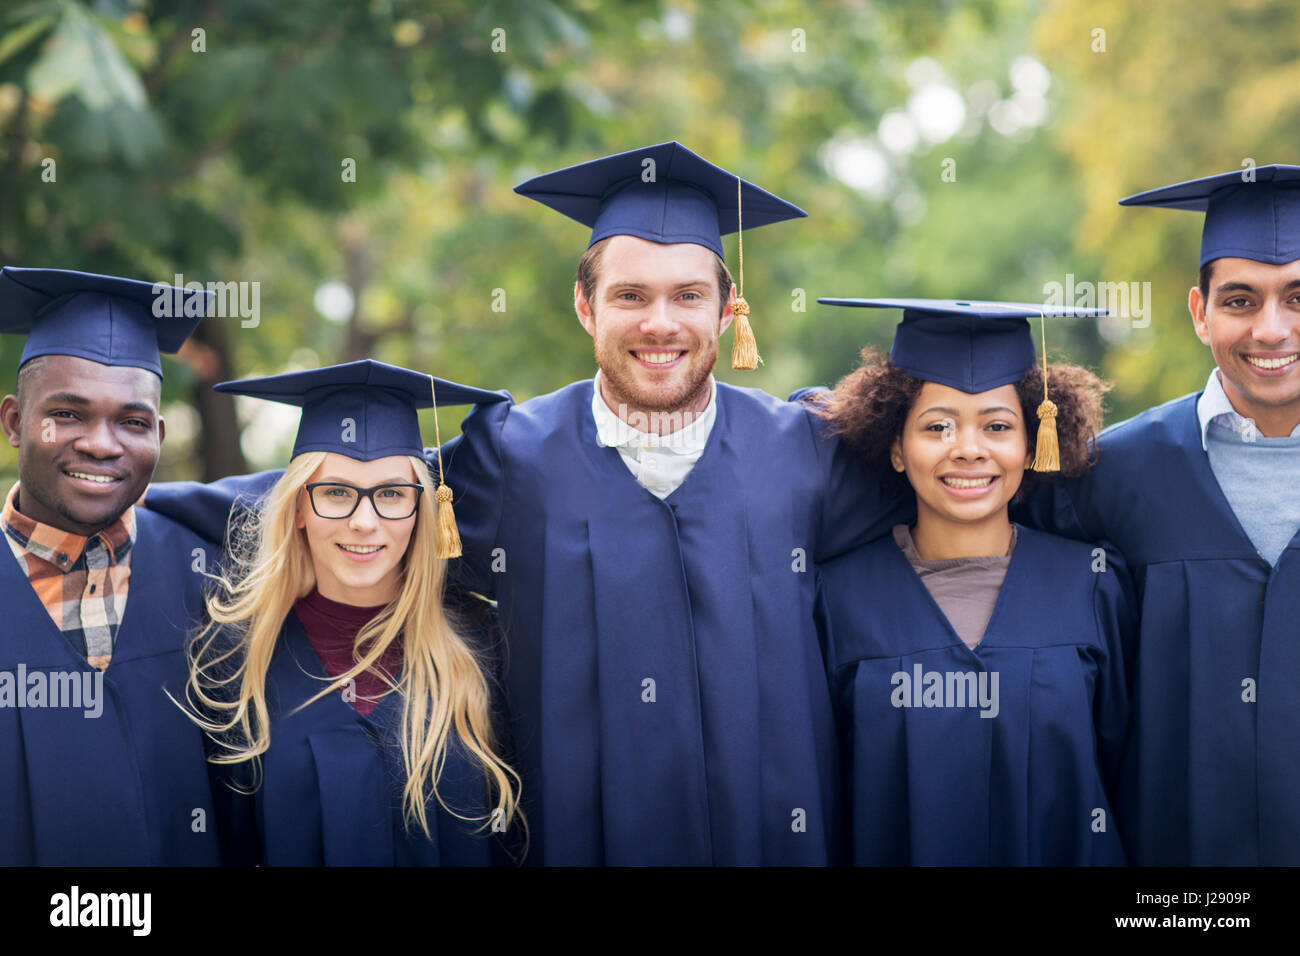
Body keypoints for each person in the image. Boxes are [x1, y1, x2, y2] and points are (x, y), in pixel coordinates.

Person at [149, 142, 911, 865]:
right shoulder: (511, 455)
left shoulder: (806, 453)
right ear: (585, 307)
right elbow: (349, 492)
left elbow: (963, 484)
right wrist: (123, 508)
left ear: (725, 310)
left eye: (688, 295)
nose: (660, 322)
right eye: (630, 295)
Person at [1017, 164, 1300, 865]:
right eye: (1240, 300)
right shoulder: (1109, 478)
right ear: (1200, 314)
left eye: (1298, 297)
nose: (1272, 329)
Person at [812, 298, 1132, 865]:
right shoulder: (837, 600)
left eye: (997, 426)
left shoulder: (1092, 585)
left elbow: (1125, 769)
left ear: (1032, 445)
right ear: (894, 445)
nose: (967, 448)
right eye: (936, 426)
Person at [178, 360, 523, 865]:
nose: (365, 522)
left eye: (391, 494)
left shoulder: (481, 645)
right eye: (336, 492)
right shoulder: (236, 657)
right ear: (297, 508)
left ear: (422, 509)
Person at [0, 266, 232, 865]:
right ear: (13, 423)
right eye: (69, 415)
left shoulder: (217, 582)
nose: (102, 444)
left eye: (131, 422)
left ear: (157, 434)